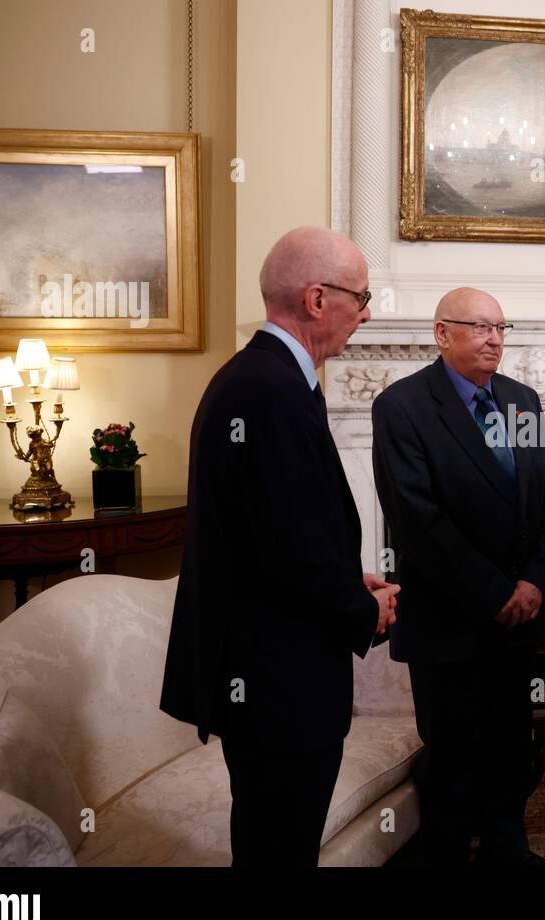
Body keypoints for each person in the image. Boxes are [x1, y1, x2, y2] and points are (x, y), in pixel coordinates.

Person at [160, 226, 399, 866]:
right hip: (276, 684)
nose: (368, 311)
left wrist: (353, 584)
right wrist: (362, 610)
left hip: (270, 676)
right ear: (318, 299)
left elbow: (279, 530)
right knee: (278, 853)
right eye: (361, 295)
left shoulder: (263, 377)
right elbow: (291, 551)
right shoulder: (268, 389)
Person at [371, 287, 545, 866]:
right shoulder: (401, 407)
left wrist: (533, 582)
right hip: (449, 624)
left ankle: (510, 853)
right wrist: (495, 593)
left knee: (511, 749)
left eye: (501, 328)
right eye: (479, 327)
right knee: (453, 758)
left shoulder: (522, 400)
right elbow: (416, 517)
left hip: (518, 622)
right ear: (441, 333)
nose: (494, 339)